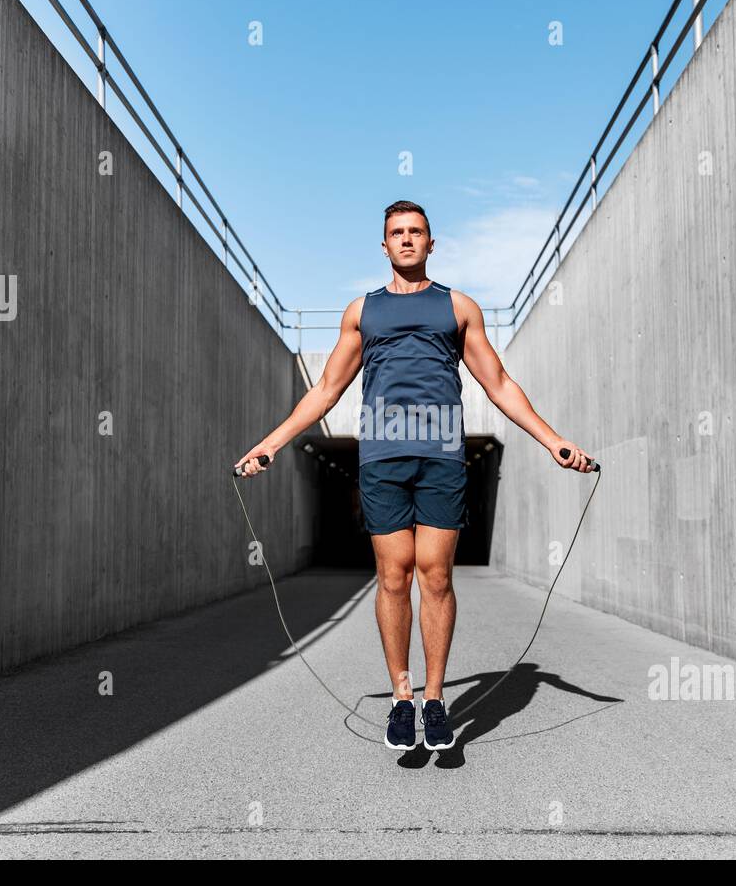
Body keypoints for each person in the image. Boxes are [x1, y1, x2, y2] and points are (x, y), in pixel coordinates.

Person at [235, 200, 594, 751]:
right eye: (397, 233)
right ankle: (401, 698)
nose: (407, 240)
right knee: (394, 576)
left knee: (436, 576)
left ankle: (433, 698)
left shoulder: (458, 307)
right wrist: (271, 444)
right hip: (381, 459)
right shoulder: (363, 311)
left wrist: (554, 441)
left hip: (442, 458)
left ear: (432, 243)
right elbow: (326, 390)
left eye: (416, 232)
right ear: (384, 246)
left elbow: (498, 383)